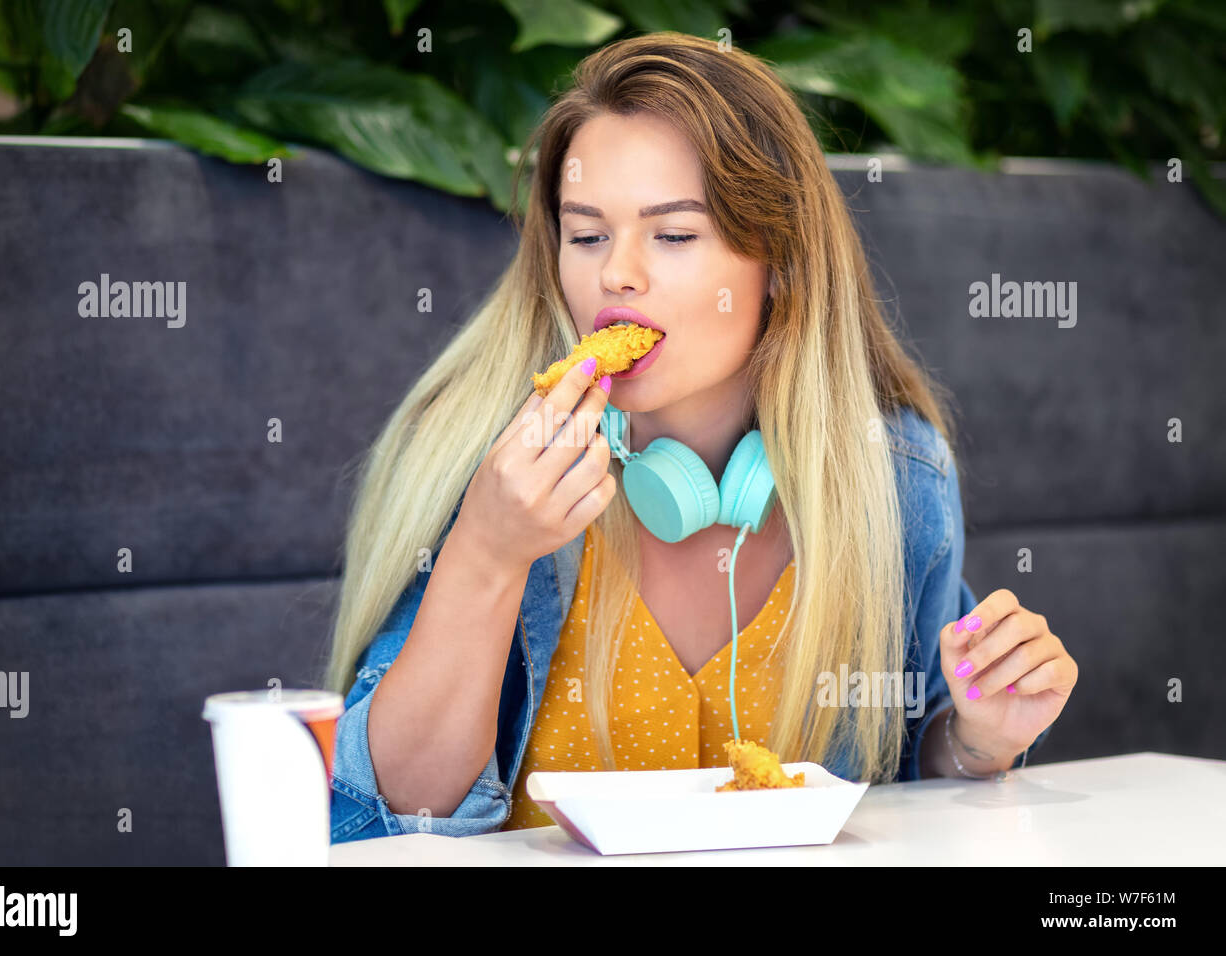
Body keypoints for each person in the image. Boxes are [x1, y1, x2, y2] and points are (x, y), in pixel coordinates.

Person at [325, 32, 1077, 842]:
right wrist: (486, 551)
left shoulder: (891, 477)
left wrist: (978, 739)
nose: (617, 274)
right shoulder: (487, 460)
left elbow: (914, 768)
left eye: (674, 234)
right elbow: (394, 823)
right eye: (586, 235)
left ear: (780, 260)